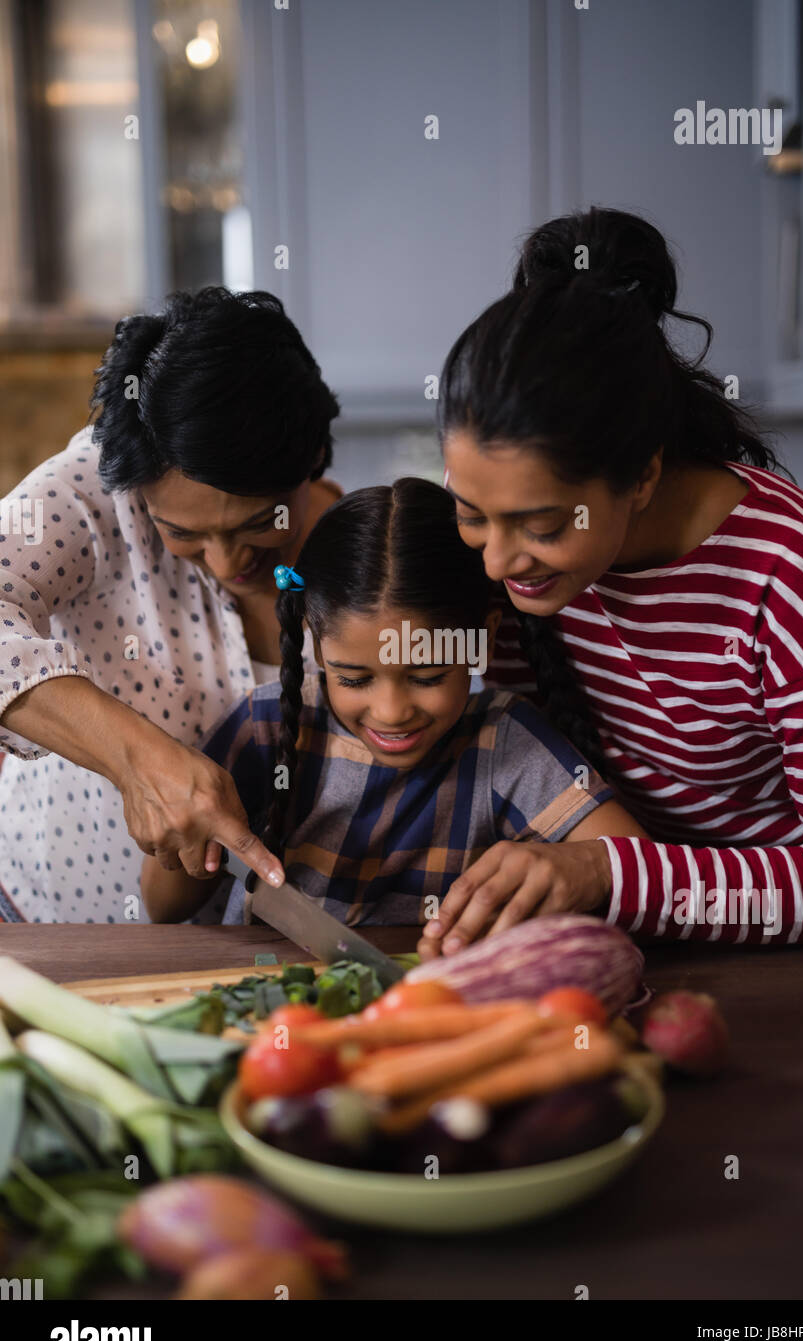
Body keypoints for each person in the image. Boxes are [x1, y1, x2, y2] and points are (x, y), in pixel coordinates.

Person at [426, 206, 803, 950]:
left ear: (642, 475)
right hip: (601, 945)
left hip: (782, 962)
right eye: (473, 514)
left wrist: (609, 875)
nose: (497, 563)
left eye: (543, 527)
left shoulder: (782, 563)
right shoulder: (512, 566)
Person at [140, 478, 646, 930]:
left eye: (426, 675)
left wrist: (574, 873)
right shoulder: (267, 728)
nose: (391, 711)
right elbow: (163, 908)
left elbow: (639, 867)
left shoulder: (505, 744)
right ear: (315, 644)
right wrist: (191, 836)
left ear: (481, 641)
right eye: (354, 678)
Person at [0, 288, 340, 922]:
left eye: (260, 523)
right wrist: (136, 757)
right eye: (182, 533)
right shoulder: (95, 488)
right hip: (42, 918)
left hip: (248, 959)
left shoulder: (369, 548)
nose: (226, 563)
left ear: (314, 453)